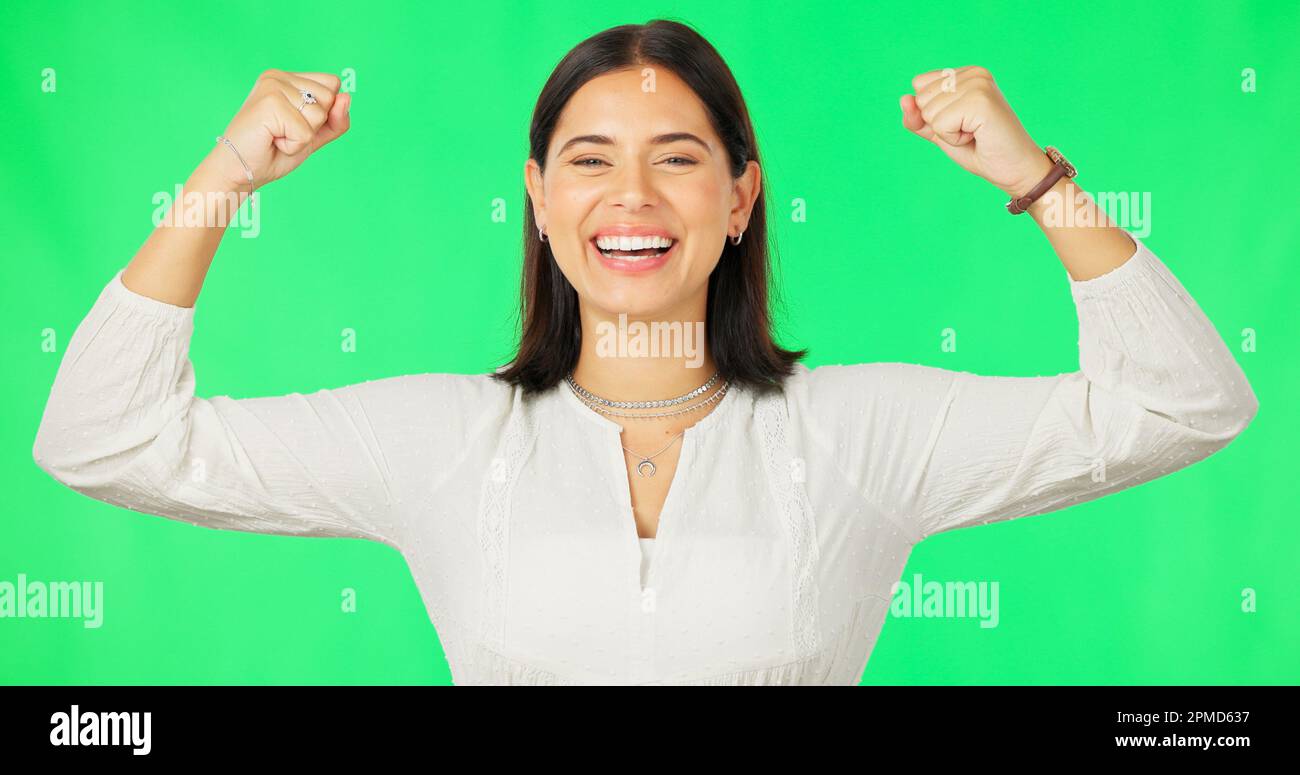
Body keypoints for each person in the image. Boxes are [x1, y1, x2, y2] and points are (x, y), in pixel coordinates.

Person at [32, 19, 1258, 685]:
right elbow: (104, 438)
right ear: (540, 201)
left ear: (739, 199)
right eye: (588, 160)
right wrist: (226, 175)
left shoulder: (861, 433)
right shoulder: (441, 441)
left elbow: (1184, 406)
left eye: (677, 156)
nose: (633, 197)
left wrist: (1038, 180)